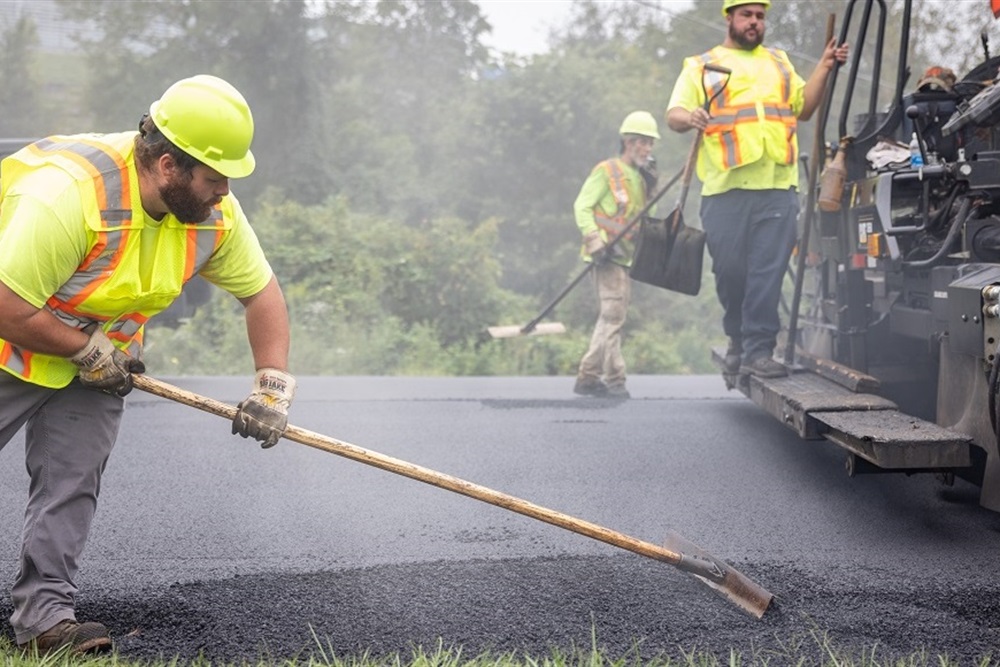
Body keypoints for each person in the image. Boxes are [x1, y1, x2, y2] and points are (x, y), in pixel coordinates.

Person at [0, 74, 295, 654]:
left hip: (99, 362)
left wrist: (272, 388)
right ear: (166, 166)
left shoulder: (215, 216)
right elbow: (6, 304)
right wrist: (83, 348)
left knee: (72, 480)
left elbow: (262, 295)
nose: (224, 191)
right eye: (214, 178)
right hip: (11, 337)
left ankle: (45, 622)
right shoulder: (69, 198)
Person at [665, 0, 849, 378]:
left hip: (778, 187)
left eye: (760, 17)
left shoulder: (779, 63)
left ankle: (759, 350)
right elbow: (674, 114)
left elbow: (806, 108)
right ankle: (737, 338)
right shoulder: (701, 65)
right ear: (730, 18)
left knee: (769, 271)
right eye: (747, 15)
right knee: (731, 272)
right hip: (724, 189)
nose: (754, 23)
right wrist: (691, 116)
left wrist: (825, 66)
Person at [572, 111, 659, 399]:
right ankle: (613, 378)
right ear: (627, 141)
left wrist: (652, 185)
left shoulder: (640, 178)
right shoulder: (607, 171)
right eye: (642, 142)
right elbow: (582, 206)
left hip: (625, 258)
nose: (646, 149)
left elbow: (649, 220)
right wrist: (594, 239)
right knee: (612, 317)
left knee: (612, 317)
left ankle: (589, 376)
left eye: (650, 144)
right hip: (606, 256)